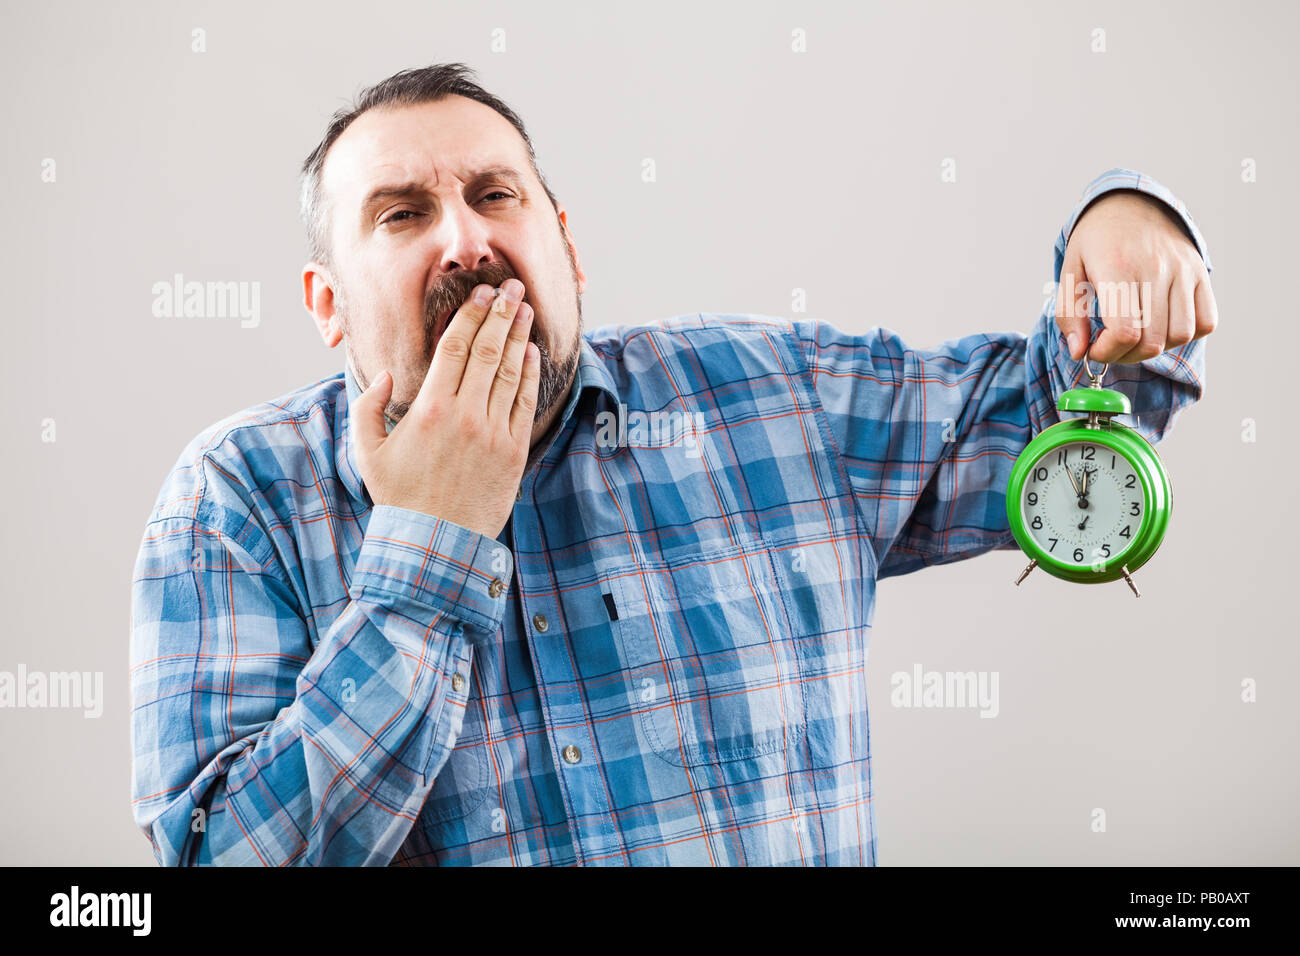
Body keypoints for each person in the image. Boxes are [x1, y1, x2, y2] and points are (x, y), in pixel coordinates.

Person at [129, 63, 1218, 866]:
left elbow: (1070, 419)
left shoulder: (771, 399)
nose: (462, 240)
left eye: (496, 195)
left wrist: (1122, 227)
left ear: (567, 246)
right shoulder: (236, 502)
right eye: (402, 213)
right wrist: (429, 547)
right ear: (328, 304)